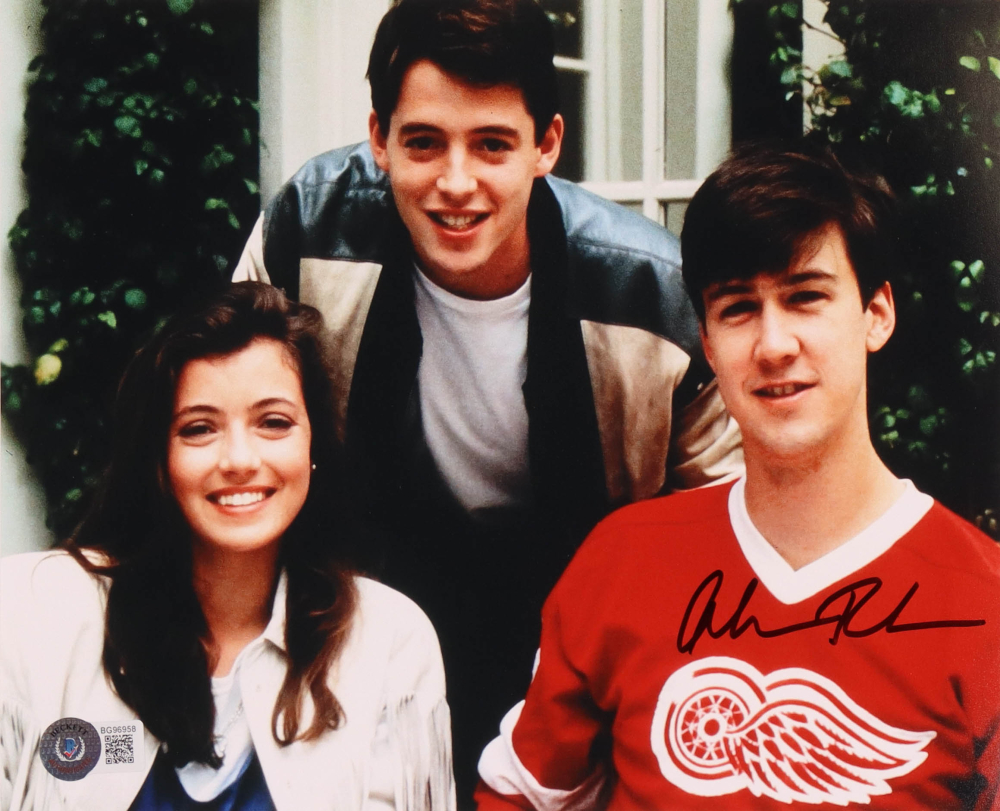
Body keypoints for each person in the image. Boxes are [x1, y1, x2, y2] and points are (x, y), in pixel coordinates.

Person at [232, 0, 742, 793]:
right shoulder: (308, 223)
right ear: (378, 139)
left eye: (493, 144)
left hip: (578, 605)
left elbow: (724, 532)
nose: (456, 183)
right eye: (424, 142)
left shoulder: (654, 293)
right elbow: (233, 420)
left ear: (547, 145)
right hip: (365, 592)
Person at [474, 142, 1000, 810]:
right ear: (707, 341)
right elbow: (517, 795)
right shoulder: (623, 560)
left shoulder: (983, 602)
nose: (774, 344)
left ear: (876, 314)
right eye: (738, 308)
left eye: (806, 297)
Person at [0, 283, 454, 811]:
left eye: (273, 423)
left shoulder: (386, 642)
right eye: (199, 428)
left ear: (314, 447)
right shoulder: (37, 611)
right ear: (160, 460)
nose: (239, 458)